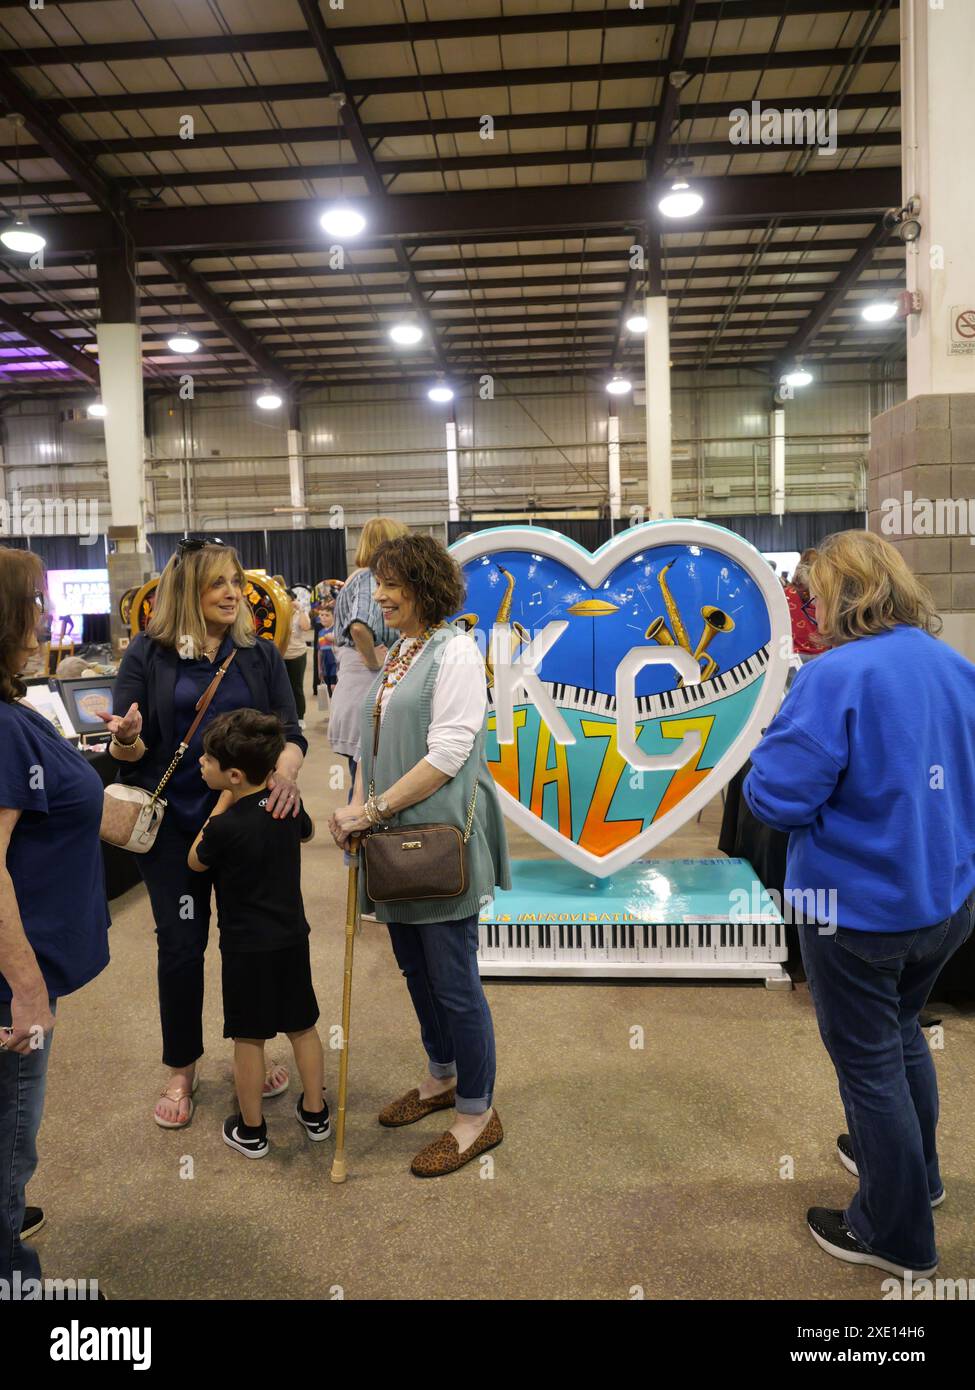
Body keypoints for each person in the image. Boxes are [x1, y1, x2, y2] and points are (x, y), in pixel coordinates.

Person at [743, 530, 975, 1279]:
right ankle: (919, 1177)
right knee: (902, 1037)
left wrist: (761, 756)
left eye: (810, 596)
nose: (806, 611)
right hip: (943, 903)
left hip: (853, 910)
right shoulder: (953, 666)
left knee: (868, 1067)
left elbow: (776, 799)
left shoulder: (832, 677)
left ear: (840, 594)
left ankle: (894, 1235)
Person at [104, 538, 307, 1129]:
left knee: (253, 944)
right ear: (188, 591)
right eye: (218, 583)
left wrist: (287, 776)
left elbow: (291, 731)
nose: (232, 593)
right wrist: (128, 736)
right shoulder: (147, 652)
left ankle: (254, 1048)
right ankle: (182, 1066)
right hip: (173, 832)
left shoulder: (259, 654)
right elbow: (128, 749)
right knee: (182, 946)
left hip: (247, 831)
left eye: (236, 582)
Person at [329, 533, 511, 1178]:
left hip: (434, 840)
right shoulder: (403, 650)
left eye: (391, 585)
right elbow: (369, 741)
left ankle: (476, 1112)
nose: (378, 595)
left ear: (424, 588)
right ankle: (440, 1077)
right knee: (414, 969)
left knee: (454, 982)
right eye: (379, 583)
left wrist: (373, 811)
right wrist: (355, 803)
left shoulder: (455, 651)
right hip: (390, 840)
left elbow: (450, 752)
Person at [0, 547, 110, 1288]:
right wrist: (27, 988)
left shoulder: (15, 710)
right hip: (13, 985)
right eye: (35, 602)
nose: (47, 616)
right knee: (10, 1146)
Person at [188, 710, 327, 1159]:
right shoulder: (286, 808)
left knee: (249, 1037)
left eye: (208, 761)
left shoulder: (224, 826)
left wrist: (224, 801)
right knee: (302, 1026)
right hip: (292, 938)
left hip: (246, 947)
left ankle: (251, 1130)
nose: (201, 765)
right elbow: (304, 832)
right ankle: (316, 1111)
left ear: (232, 775)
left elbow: (194, 860)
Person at [327, 519, 408, 786]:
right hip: (366, 686)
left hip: (358, 687)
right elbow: (359, 627)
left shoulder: (361, 577)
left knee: (366, 782)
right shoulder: (369, 579)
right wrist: (374, 661)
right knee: (370, 788)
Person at [283, 591, 312, 724]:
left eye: (289, 600)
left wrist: (301, 609)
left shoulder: (300, 613)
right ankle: (285, 717)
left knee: (297, 687)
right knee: (283, 688)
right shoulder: (279, 612)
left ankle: (300, 717)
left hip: (297, 654)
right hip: (281, 655)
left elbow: (306, 627)